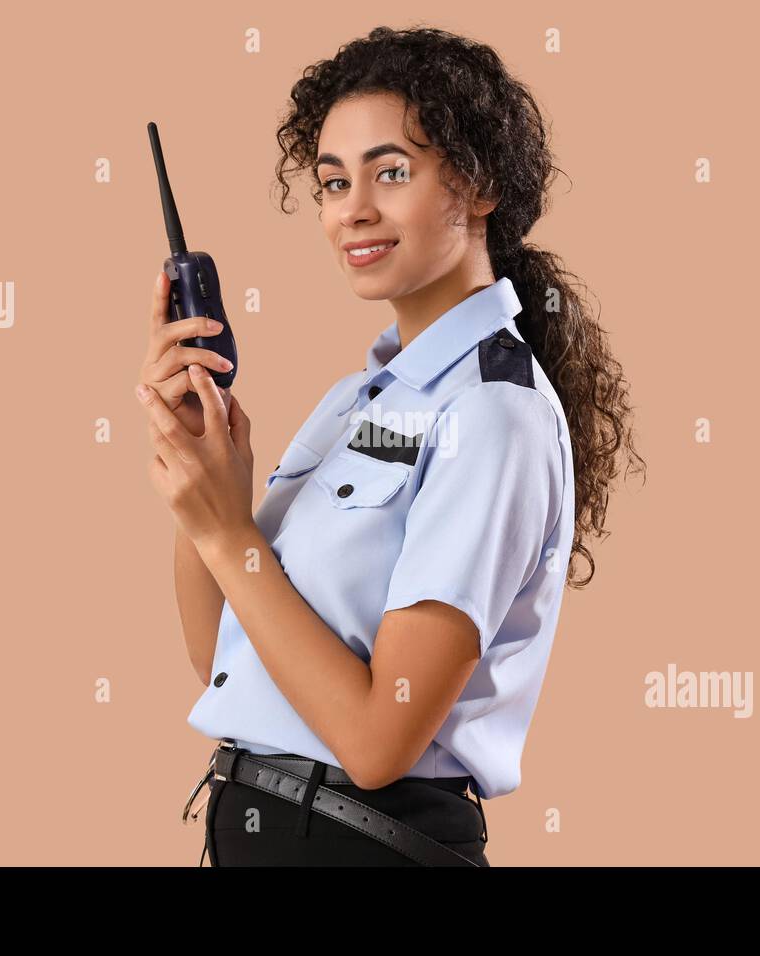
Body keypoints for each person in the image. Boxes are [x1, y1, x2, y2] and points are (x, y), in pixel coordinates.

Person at [136, 25, 644, 866]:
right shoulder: (364, 403)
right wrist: (203, 485)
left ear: (476, 185)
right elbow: (223, 657)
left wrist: (231, 531)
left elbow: (377, 743)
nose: (353, 209)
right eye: (334, 182)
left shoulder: (494, 414)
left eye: (391, 172)